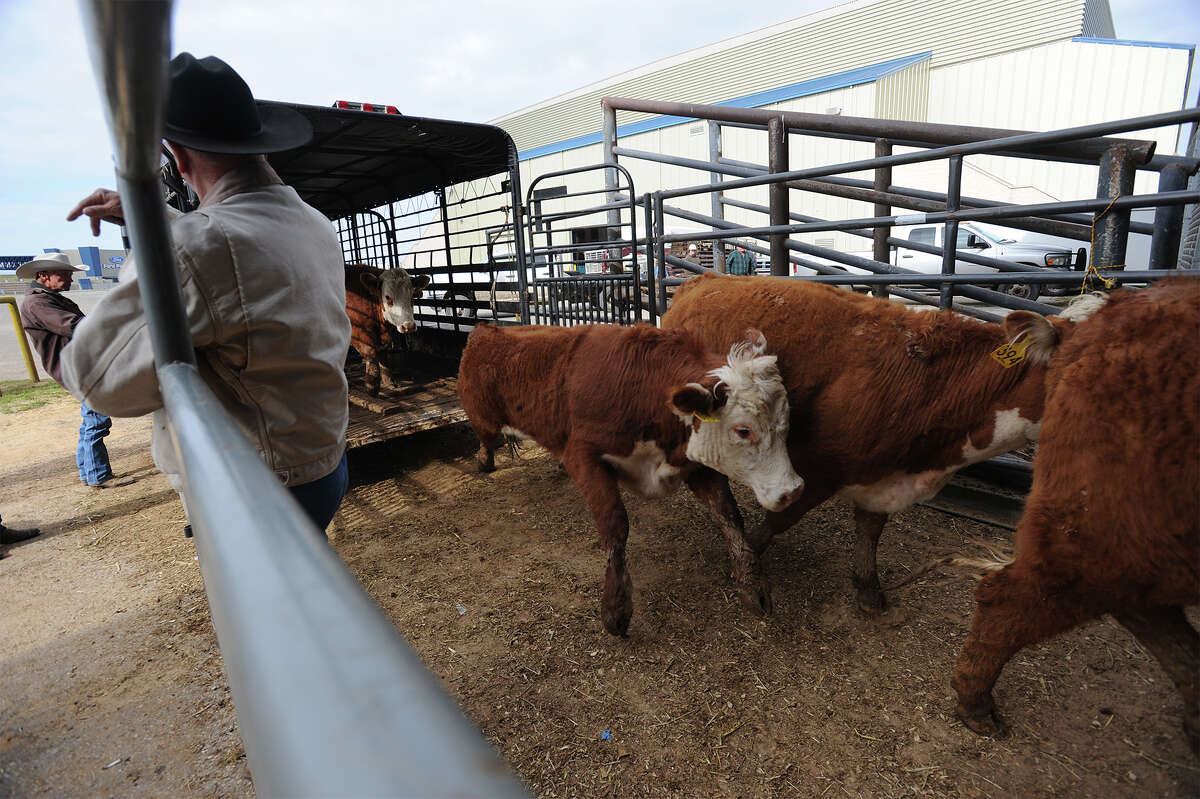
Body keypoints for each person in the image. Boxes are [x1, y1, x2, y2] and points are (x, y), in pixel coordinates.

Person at [61, 53, 351, 533]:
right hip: (320, 463)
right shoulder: (311, 221)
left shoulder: (195, 245)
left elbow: (94, 379)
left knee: (263, 608)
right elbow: (232, 258)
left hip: (258, 485)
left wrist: (154, 234)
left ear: (176, 154)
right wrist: (162, 225)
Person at [16, 252, 134, 489]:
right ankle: (97, 476)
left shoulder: (47, 298)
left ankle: (89, 470)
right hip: (78, 369)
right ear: (44, 275)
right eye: (66, 274)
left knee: (91, 419)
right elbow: (76, 326)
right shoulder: (38, 303)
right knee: (96, 421)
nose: (71, 279)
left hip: (78, 366)